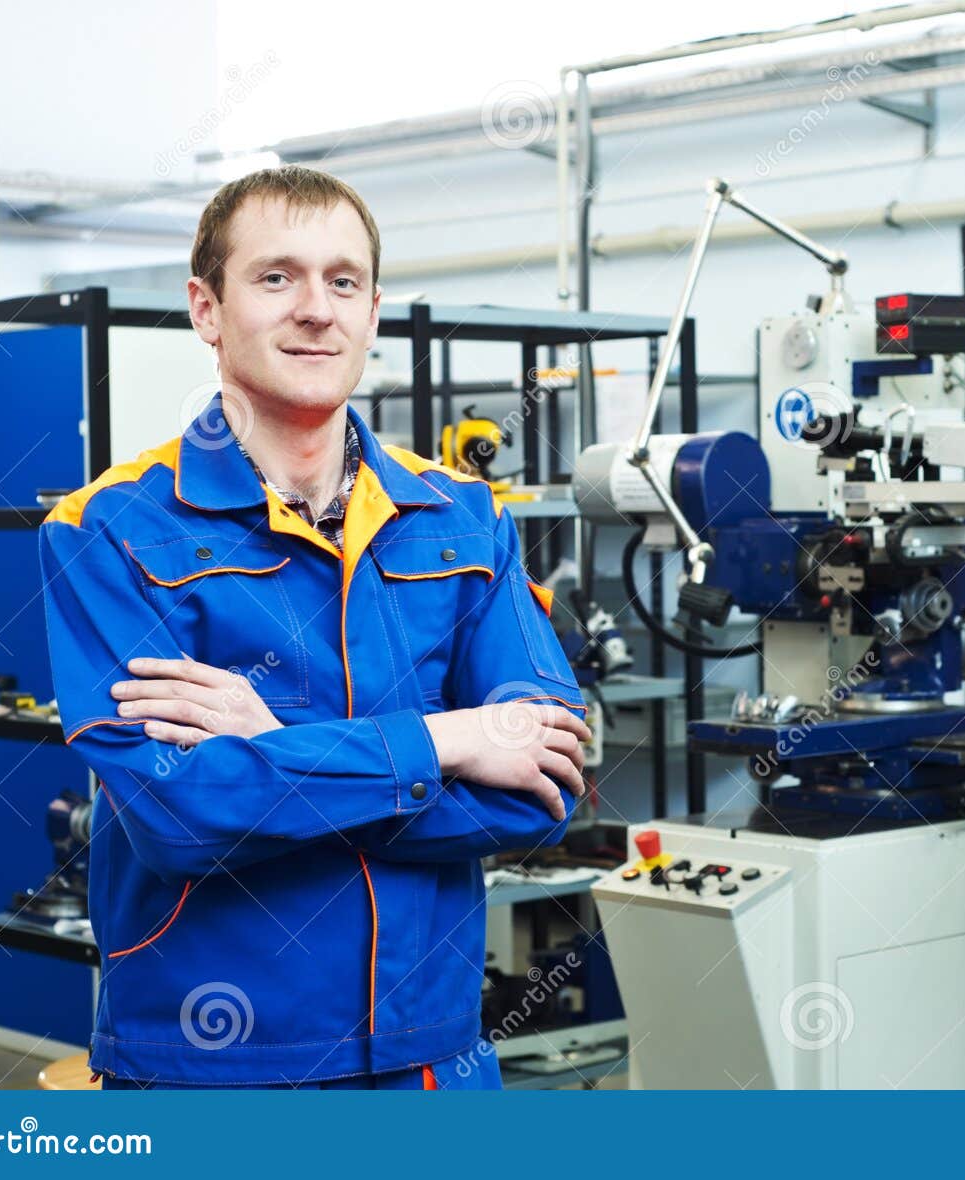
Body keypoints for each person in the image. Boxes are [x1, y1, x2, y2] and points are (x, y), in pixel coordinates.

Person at [38, 165, 589, 1090]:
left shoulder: (462, 517)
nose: (315, 310)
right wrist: (448, 740)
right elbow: (181, 815)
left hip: (437, 1064)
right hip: (214, 1073)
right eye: (275, 277)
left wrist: (277, 750)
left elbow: (542, 787)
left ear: (372, 310)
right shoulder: (109, 532)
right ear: (205, 309)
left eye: (342, 281)